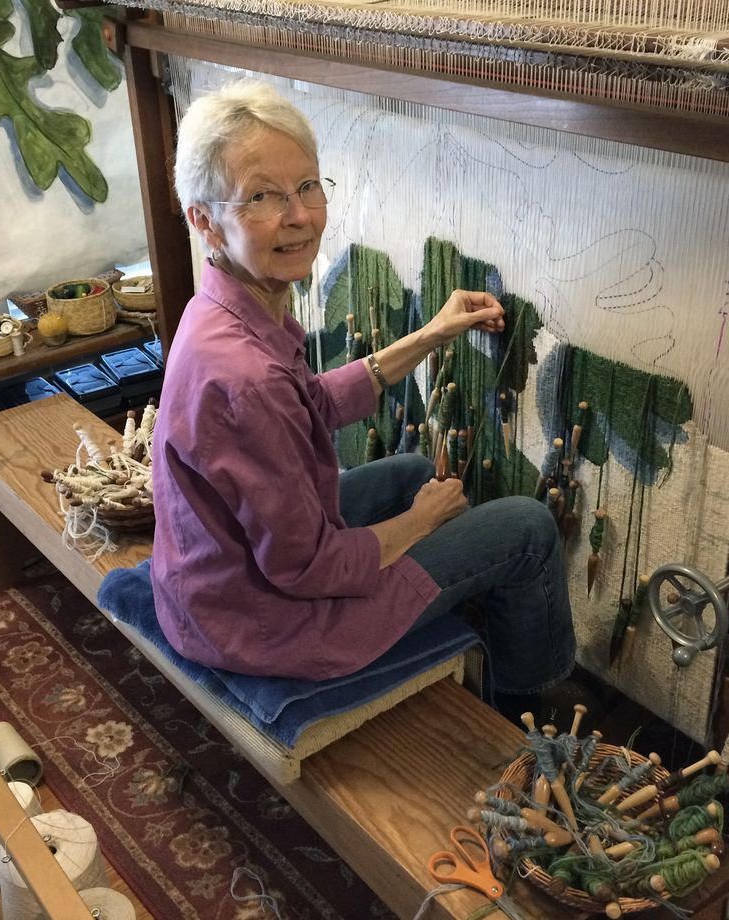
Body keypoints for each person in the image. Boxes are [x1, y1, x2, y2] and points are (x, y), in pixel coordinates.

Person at [151, 80, 575, 718]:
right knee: (528, 528)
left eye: (307, 186)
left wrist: (432, 334)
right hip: (265, 622)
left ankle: (461, 633)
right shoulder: (245, 377)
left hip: (213, 584)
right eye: (262, 196)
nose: (298, 217)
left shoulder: (217, 309)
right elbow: (308, 569)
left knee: (408, 471)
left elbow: (311, 407)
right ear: (204, 220)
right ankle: (523, 712)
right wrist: (422, 521)